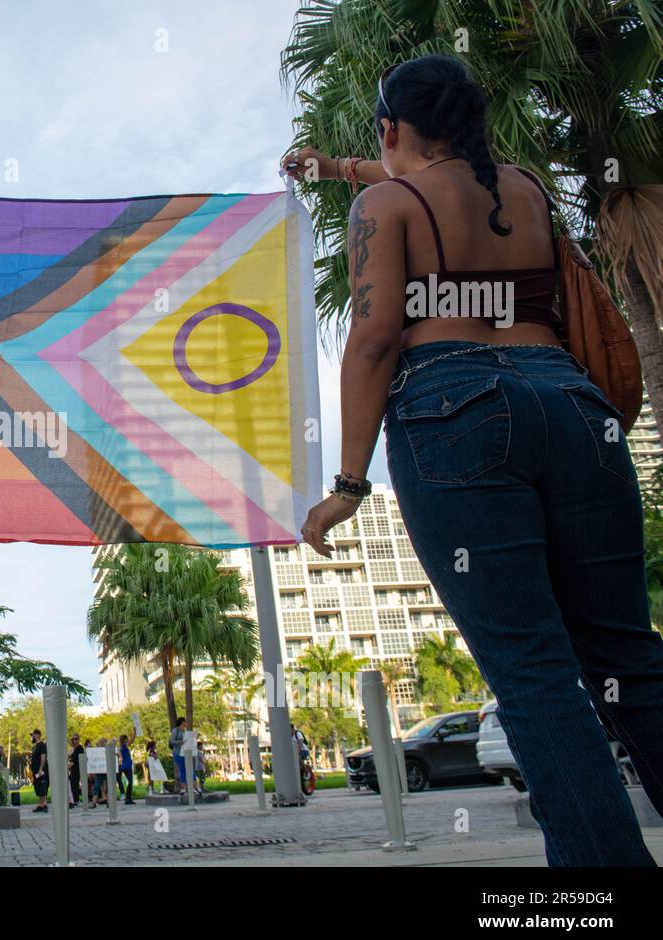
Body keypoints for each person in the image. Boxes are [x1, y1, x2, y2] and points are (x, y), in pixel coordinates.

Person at [284, 53, 663, 867]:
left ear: (390, 129)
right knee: (630, 656)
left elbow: (376, 340)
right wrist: (337, 168)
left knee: (533, 671)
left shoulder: (388, 205)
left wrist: (349, 484)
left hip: (455, 407)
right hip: (571, 403)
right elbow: (421, 174)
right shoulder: (521, 187)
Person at [30, 729, 49, 813]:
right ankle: (41, 805)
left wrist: (40, 769)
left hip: (40, 771)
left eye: (33, 735)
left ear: (37, 735)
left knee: (42, 787)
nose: (32, 737)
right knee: (38, 787)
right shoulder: (35, 746)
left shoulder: (42, 745)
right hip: (35, 771)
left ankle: (44, 805)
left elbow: (43, 758)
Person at [168, 717, 189, 795]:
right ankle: (183, 788)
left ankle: (186, 787)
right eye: (185, 722)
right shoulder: (175, 730)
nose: (186, 723)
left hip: (185, 753)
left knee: (186, 769)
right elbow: (172, 741)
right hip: (177, 752)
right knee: (182, 769)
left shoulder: (184, 731)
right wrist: (181, 741)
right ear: (182, 722)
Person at [68, 734, 84, 808]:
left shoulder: (80, 748)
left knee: (74, 784)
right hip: (72, 769)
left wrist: (70, 764)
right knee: (72, 784)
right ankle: (73, 799)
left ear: (78, 740)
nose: (74, 740)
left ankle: (75, 800)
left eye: (76, 739)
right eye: (73, 739)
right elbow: (68, 755)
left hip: (77, 769)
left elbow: (76, 759)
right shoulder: (72, 749)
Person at [118, 734, 135, 804]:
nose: (128, 739)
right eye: (127, 738)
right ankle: (128, 798)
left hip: (126, 766)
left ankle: (128, 798)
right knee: (130, 782)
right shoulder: (124, 746)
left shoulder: (122, 747)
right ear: (124, 740)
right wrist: (134, 732)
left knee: (130, 782)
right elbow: (132, 740)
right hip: (126, 767)